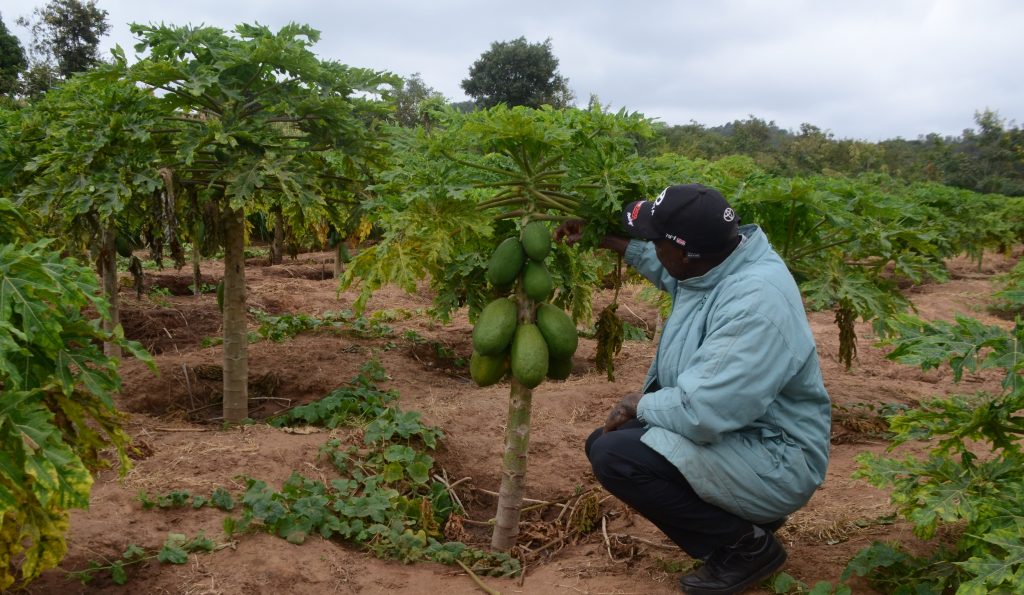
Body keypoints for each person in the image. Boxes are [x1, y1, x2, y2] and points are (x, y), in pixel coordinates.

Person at [557, 184, 831, 595]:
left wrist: (640, 403)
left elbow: (701, 412)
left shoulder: (753, 305)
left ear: (687, 253)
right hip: (744, 434)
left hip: (777, 457)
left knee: (618, 456)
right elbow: (675, 273)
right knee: (609, 442)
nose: (650, 245)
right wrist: (610, 242)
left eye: (655, 240)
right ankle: (742, 522)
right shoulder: (719, 264)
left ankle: (744, 548)